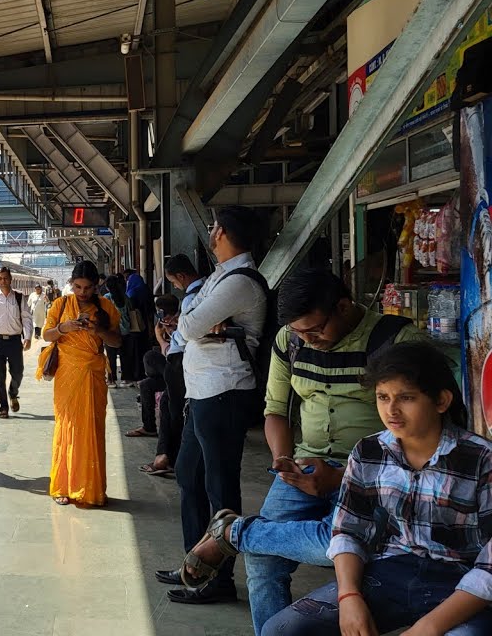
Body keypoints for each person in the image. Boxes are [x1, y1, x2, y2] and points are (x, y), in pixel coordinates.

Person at [175, 268, 426, 632]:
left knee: (343, 545)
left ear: (342, 307)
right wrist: (283, 461)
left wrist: (341, 476)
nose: (308, 340)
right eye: (300, 333)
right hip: (302, 463)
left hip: (378, 470)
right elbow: (275, 410)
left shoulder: (395, 341)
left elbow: (419, 431)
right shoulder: (289, 341)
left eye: (315, 330)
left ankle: (235, 532)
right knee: (263, 560)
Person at [261, 340, 492, 636]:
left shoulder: (481, 459)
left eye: (406, 398)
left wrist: (429, 627)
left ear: (441, 401)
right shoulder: (369, 451)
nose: (391, 410)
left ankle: (235, 532)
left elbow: (488, 566)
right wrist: (349, 597)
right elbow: (349, 531)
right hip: (391, 571)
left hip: (464, 584)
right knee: (282, 629)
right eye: (383, 397)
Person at [159, 206, 268, 605]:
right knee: (189, 476)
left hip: (225, 393)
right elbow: (191, 322)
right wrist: (199, 320)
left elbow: (185, 327)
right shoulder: (219, 278)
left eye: (213, 227)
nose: (211, 232)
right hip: (202, 393)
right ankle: (194, 563)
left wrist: (197, 320)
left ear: (222, 232)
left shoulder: (240, 282)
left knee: (220, 487)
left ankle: (218, 579)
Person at [40, 260, 121, 507]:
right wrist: (64, 328)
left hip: (93, 374)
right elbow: (46, 334)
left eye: (87, 288)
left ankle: (90, 489)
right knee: (66, 426)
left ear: (96, 286)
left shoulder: (106, 307)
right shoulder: (60, 304)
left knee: (92, 429)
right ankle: (63, 486)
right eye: (77, 287)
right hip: (67, 375)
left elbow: (117, 342)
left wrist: (99, 331)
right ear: (71, 285)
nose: (82, 293)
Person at [141, 254, 205, 478]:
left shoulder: (191, 297)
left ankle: (172, 458)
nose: (176, 286)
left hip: (180, 361)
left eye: (175, 282)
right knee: (169, 404)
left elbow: (187, 337)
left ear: (181, 276)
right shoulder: (203, 293)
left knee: (176, 410)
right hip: (182, 359)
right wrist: (177, 326)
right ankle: (167, 456)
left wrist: (164, 338)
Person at [128, 293, 179, 440]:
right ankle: (149, 426)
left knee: (150, 356)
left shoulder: (183, 322)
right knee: (146, 385)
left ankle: (161, 380)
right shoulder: (167, 325)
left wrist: (162, 339)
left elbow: (172, 352)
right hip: (170, 372)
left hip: (181, 372)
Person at [0, 267, 32, 419]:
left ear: (10, 279)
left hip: (14, 341)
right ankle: (3, 408)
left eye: (5, 278)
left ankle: (13, 392)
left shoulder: (19, 297)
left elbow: (26, 319)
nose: (3, 281)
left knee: (18, 373)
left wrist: (28, 337)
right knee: (0, 376)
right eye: (0, 278)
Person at [103, 274, 133, 387]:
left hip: (111, 331)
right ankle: (126, 379)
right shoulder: (125, 297)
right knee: (125, 356)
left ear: (107, 286)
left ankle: (112, 380)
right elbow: (131, 311)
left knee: (111, 356)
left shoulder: (106, 298)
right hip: (126, 330)